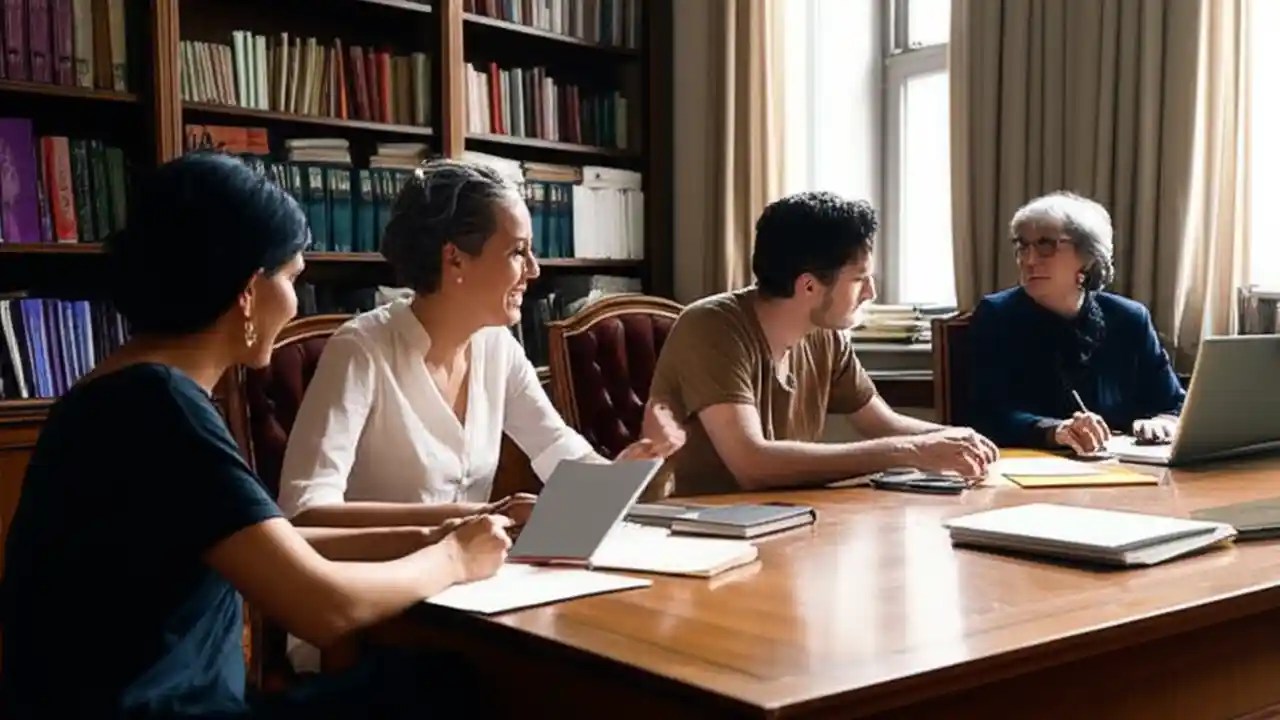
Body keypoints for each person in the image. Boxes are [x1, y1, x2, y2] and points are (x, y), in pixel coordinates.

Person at [0, 152, 512, 719]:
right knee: (446, 688)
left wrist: (436, 529)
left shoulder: (120, 393)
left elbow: (277, 546)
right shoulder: (162, 409)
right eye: (292, 278)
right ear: (248, 291)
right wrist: (454, 559)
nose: (295, 305)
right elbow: (324, 608)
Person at [276, 158, 683, 530]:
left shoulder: (497, 348)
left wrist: (630, 471)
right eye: (518, 251)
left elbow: (557, 448)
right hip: (381, 589)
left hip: (473, 582)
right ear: (454, 259)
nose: (534, 270)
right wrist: (480, 516)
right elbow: (305, 510)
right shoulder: (361, 350)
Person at [646, 191, 998, 497]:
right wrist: (909, 451)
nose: (871, 292)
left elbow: (882, 422)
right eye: (859, 279)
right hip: (700, 532)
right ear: (809, 286)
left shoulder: (826, 333)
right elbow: (751, 464)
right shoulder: (711, 326)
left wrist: (959, 438)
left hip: (788, 519)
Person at [966, 191, 1184, 454]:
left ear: (1088, 256)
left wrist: (1163, 423)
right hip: (1032, 469)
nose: (1029, 260)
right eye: (1022, 246)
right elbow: (985, 414)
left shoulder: (1129, 318)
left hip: (1127, 469)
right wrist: (1054, 431)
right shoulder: (997, 315)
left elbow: (1172, 402)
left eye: (1046, 245)